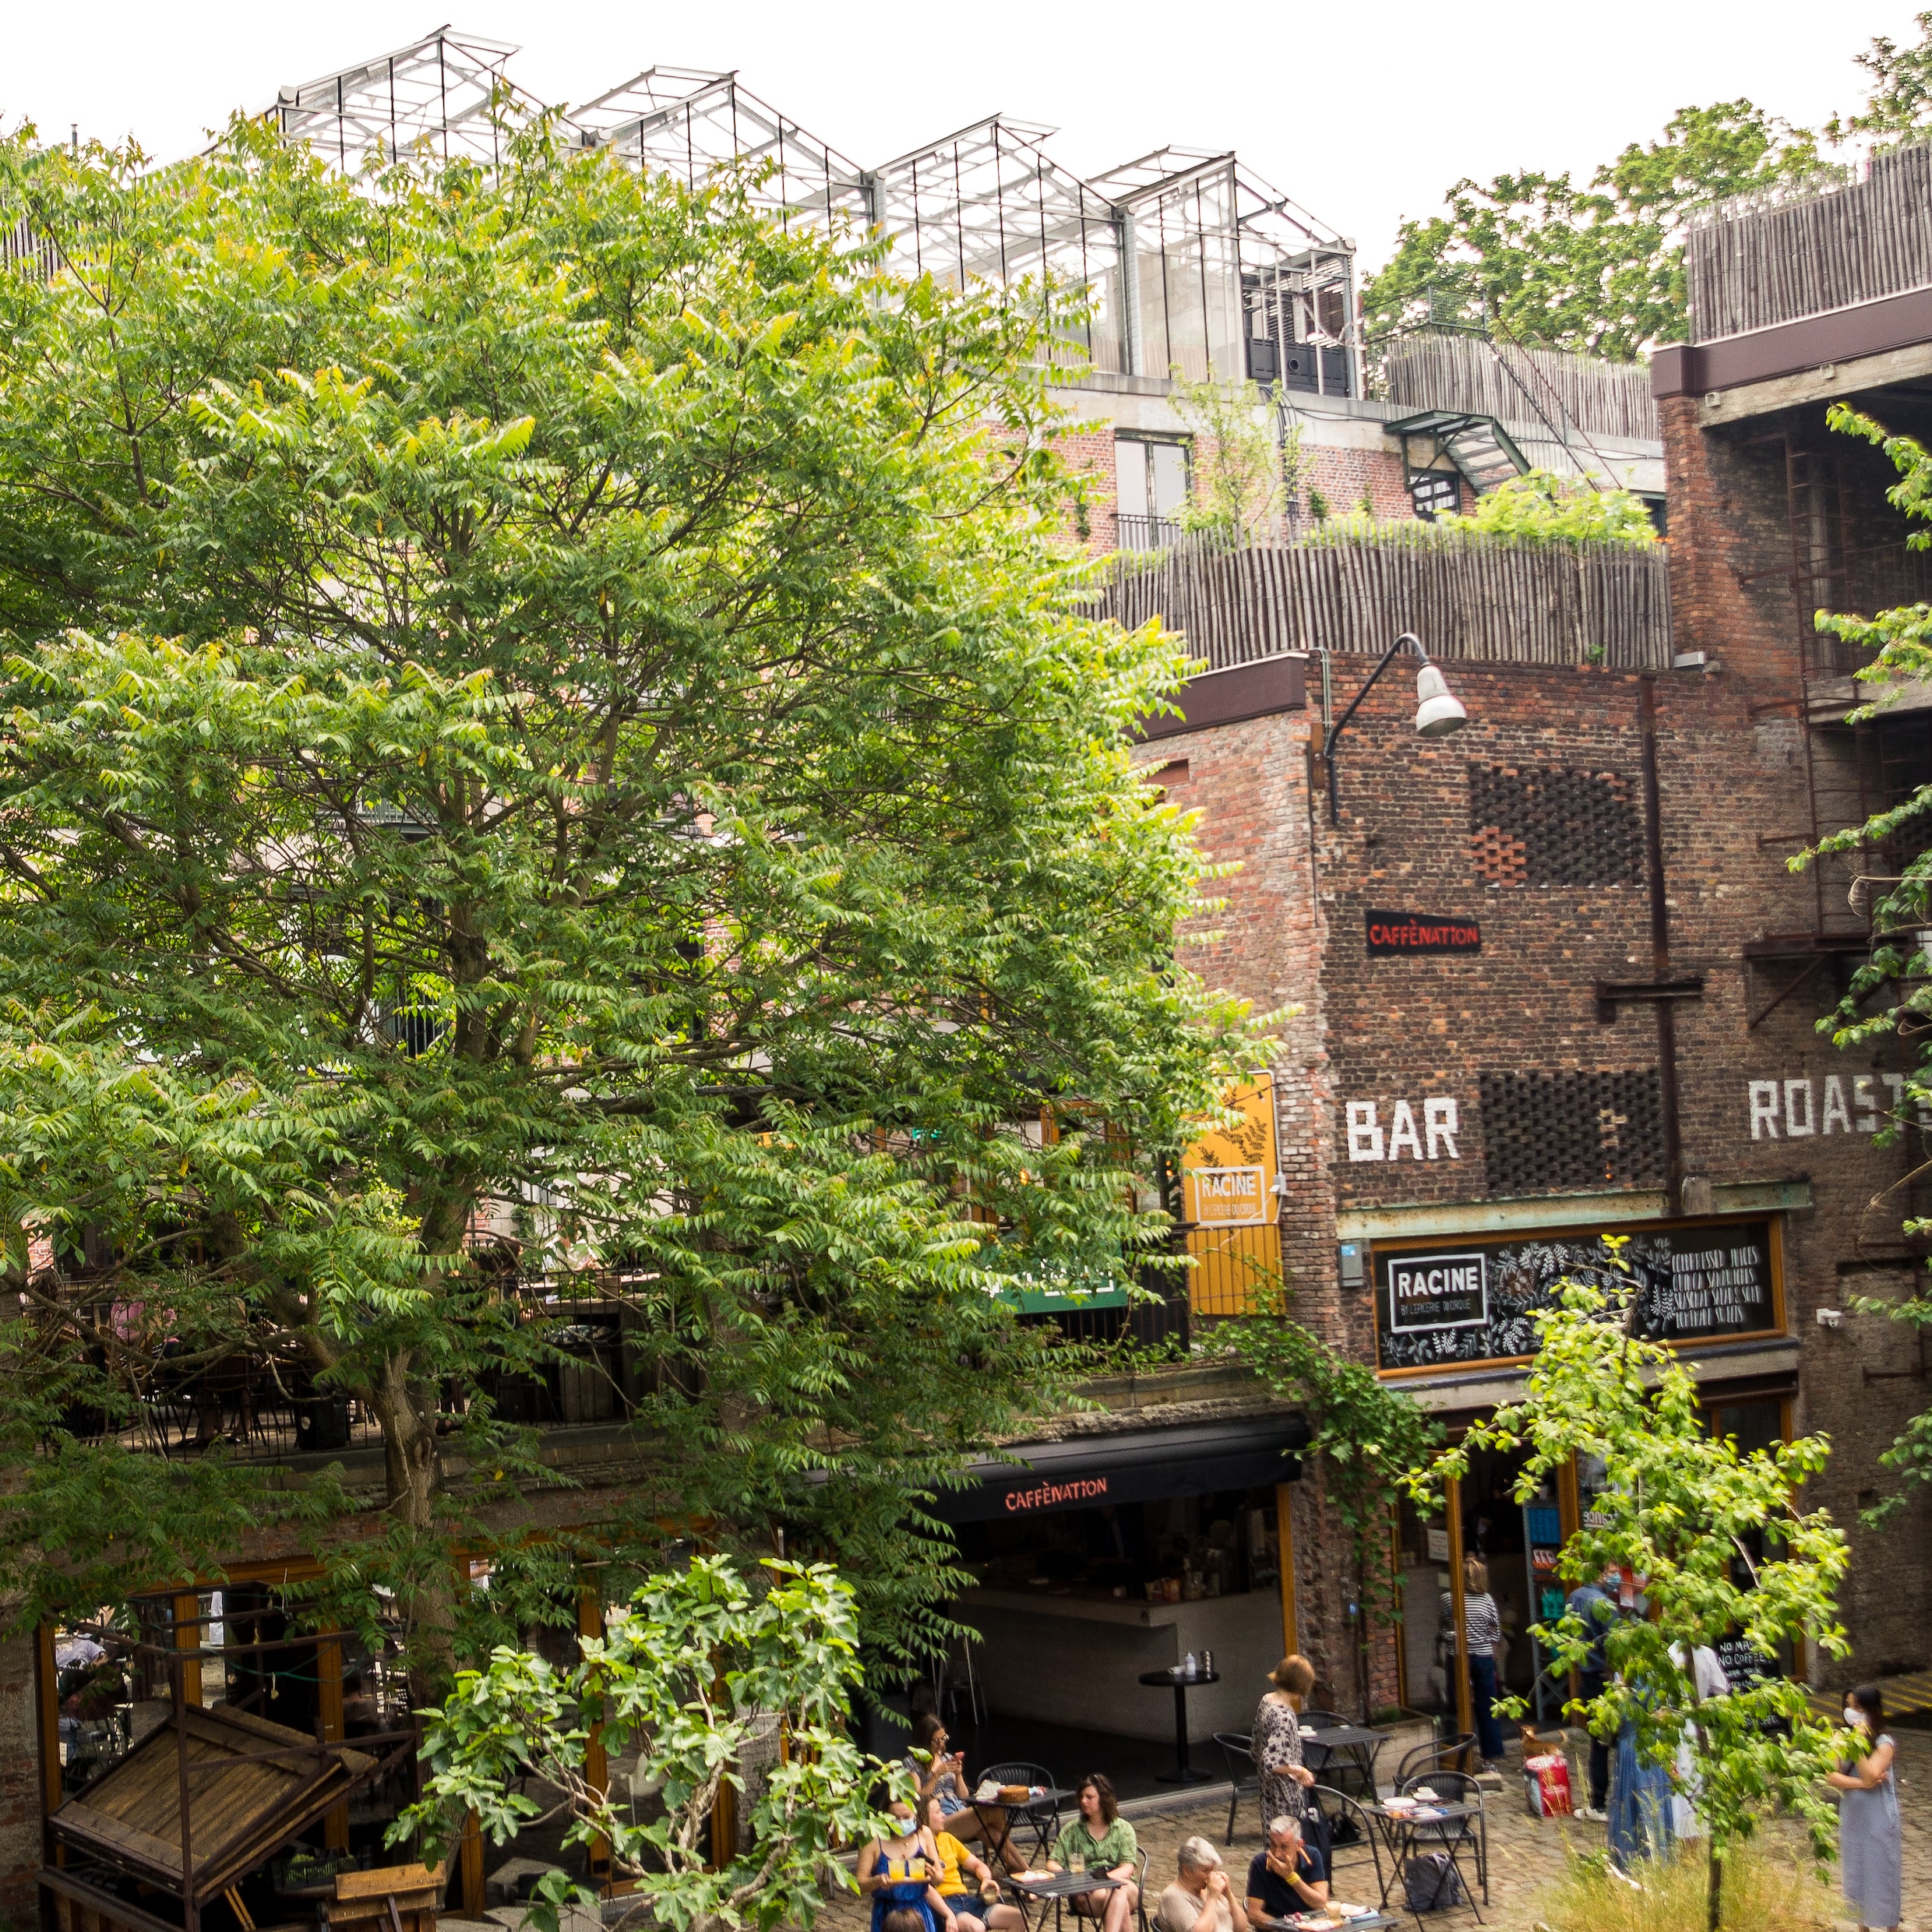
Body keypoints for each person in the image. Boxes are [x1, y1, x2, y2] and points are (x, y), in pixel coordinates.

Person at [1828, 1684, 1901, 1932]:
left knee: (1882, 1872)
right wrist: (1861, 1783)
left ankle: (1890, 1926)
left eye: (1856, 1707)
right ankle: (1862, 1927)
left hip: (1879, 1817)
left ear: (1871, 1710)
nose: (1851, 1712)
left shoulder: (1884, 1743)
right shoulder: (1840, 1738)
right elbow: (1832, 1776)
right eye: (1848, 1706)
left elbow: (1871, 1774)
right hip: (1854, 1816)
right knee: (1857, 1870)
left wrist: (1858, 1747)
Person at [1047, 1774, 1139, 1932]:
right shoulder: (1072, 1830)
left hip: (1121, 1881)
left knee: (1118, 1890)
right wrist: (1074, 1881)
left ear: (1103, 1798)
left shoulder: (1123, 1829)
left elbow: (1127, 1868)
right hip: (1087, 1891)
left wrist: (1105, 1880)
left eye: (1089, 1797)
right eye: (1082, 1797)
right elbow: (1052, 1863)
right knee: (1119, 1897)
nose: (1083, 1801)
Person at [909, 1715, 1007, 1863]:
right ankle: (1025, 1873)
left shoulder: (946, 1757)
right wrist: (936, 1775)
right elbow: (918, 1800)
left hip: (959, 1810)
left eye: (944, 1738)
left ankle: (1022, 1871)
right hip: (940, 1819)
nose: (941, 1744)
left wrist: (958, 1774)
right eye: (936, 1740)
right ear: (924, 1740)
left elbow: (964, 1795)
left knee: (991, 1833)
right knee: (992, 1810)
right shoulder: (912, 1763)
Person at [1564, 1569, 1621, 1821]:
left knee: (1598, 1746)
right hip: (1606, 1679)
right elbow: (1617, 1643)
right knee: (1620, 1743)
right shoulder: (1604, 1603)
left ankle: (1597, 1804)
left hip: (1587, 1679)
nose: (1616, 1575)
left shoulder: (1573, 1597)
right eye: (1611, 1571)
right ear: (1599, 1573)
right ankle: (1615, 1802)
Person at [1438, 1557, 1504, 1768]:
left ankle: (1455, 1755)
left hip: (1457, 1658)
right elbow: (1496, 1633)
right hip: (1483, 1659)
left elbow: (1443, 1629)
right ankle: (1489, 1758)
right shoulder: (1487, 1600)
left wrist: (1455, 1635)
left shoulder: (1448, 1599)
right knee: (1488, 1708)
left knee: (1456, 1707)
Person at [922, 1796, 1023, 1932]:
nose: (944, 1815)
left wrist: (986, 1879)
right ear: (923, 1817)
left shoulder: (947, 1838)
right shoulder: (919, 1846)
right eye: (938, 1812)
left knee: (1017, 1917)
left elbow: (977, 1865)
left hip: (965, 1898)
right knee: (977, 1927)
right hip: (943, 1904)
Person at [858, 1799, 949, 1932]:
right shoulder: (873, 1840)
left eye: (906, 1817)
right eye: (895, 1818)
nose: (901, 1822)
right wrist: (877, 1881)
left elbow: (939, 1876)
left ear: (915, 1814)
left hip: (919, 1910)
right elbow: (860, 1884)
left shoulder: (924, 1834)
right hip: (887, 1912)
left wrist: (934, 1877)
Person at [1251, 1655, 1318, 1824]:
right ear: (1299, 1689)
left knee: (1273, 1843)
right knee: (1286, 1845)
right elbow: (1274, 1763)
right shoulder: (1284, 1717)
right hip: (1283, 1798)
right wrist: (1301, 1771)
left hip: (1267, 1793)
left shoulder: (1267, 1700)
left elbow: (1256, 1748)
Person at [1243, 1814, 1329, 1926]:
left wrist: (1291, 1878)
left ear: (1299, 1845)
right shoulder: (1260, 1863)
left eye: (1284, 1847)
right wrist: (1288, 1927)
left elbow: (1321, 1903)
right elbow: (1253, 1915)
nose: (1277, 1853)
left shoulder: (1312, 1856)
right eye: (1273, 1845)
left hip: (1309, 1926)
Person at [1156, 1835, 1250, 1932]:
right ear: (1187, 1870)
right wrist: (1212, 1898)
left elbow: (1241, 1928)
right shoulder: (1173, 1897)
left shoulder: (1209, 1888)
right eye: (1206, 1870)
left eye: (1212, 1869)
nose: (1211, 1875)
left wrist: (1228, 1895)